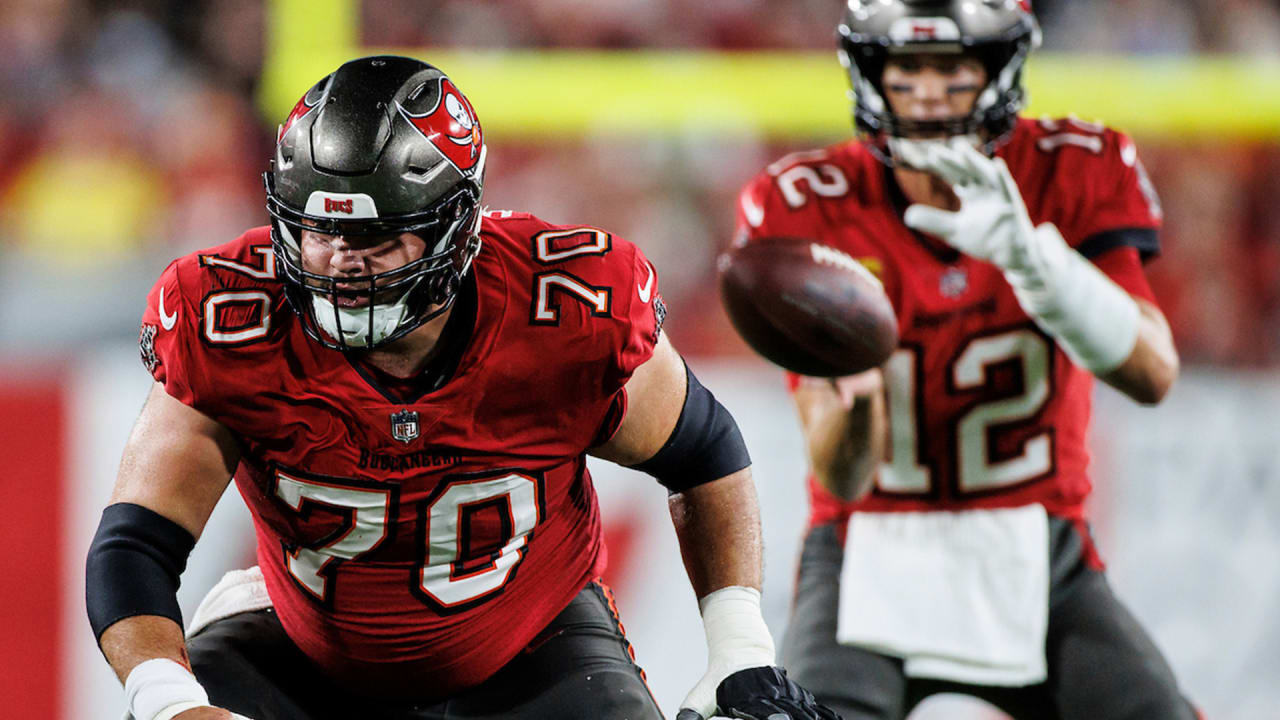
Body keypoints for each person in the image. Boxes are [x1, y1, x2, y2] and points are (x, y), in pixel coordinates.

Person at [85, 55, 839, 720]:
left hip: (531, 647)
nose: (342, 261)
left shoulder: (564, 312)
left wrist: (739, 647)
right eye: (319, 229)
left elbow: (704, 454)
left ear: (455, 226)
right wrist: (167, 701)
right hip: (298, 651)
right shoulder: (232, 321)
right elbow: (134, 543)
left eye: (375, 236)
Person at [733, 2, 1199, 719]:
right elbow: (843, 474)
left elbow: (1153, 374)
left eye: (952, 68)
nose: (926, 94)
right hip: (867, 543)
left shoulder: (1071, 167)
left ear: (998, 69)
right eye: (907, 68)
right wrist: (857, 389)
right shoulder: (807, 200)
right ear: (870, 74)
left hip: (1040, 541)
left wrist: (1037, 261)